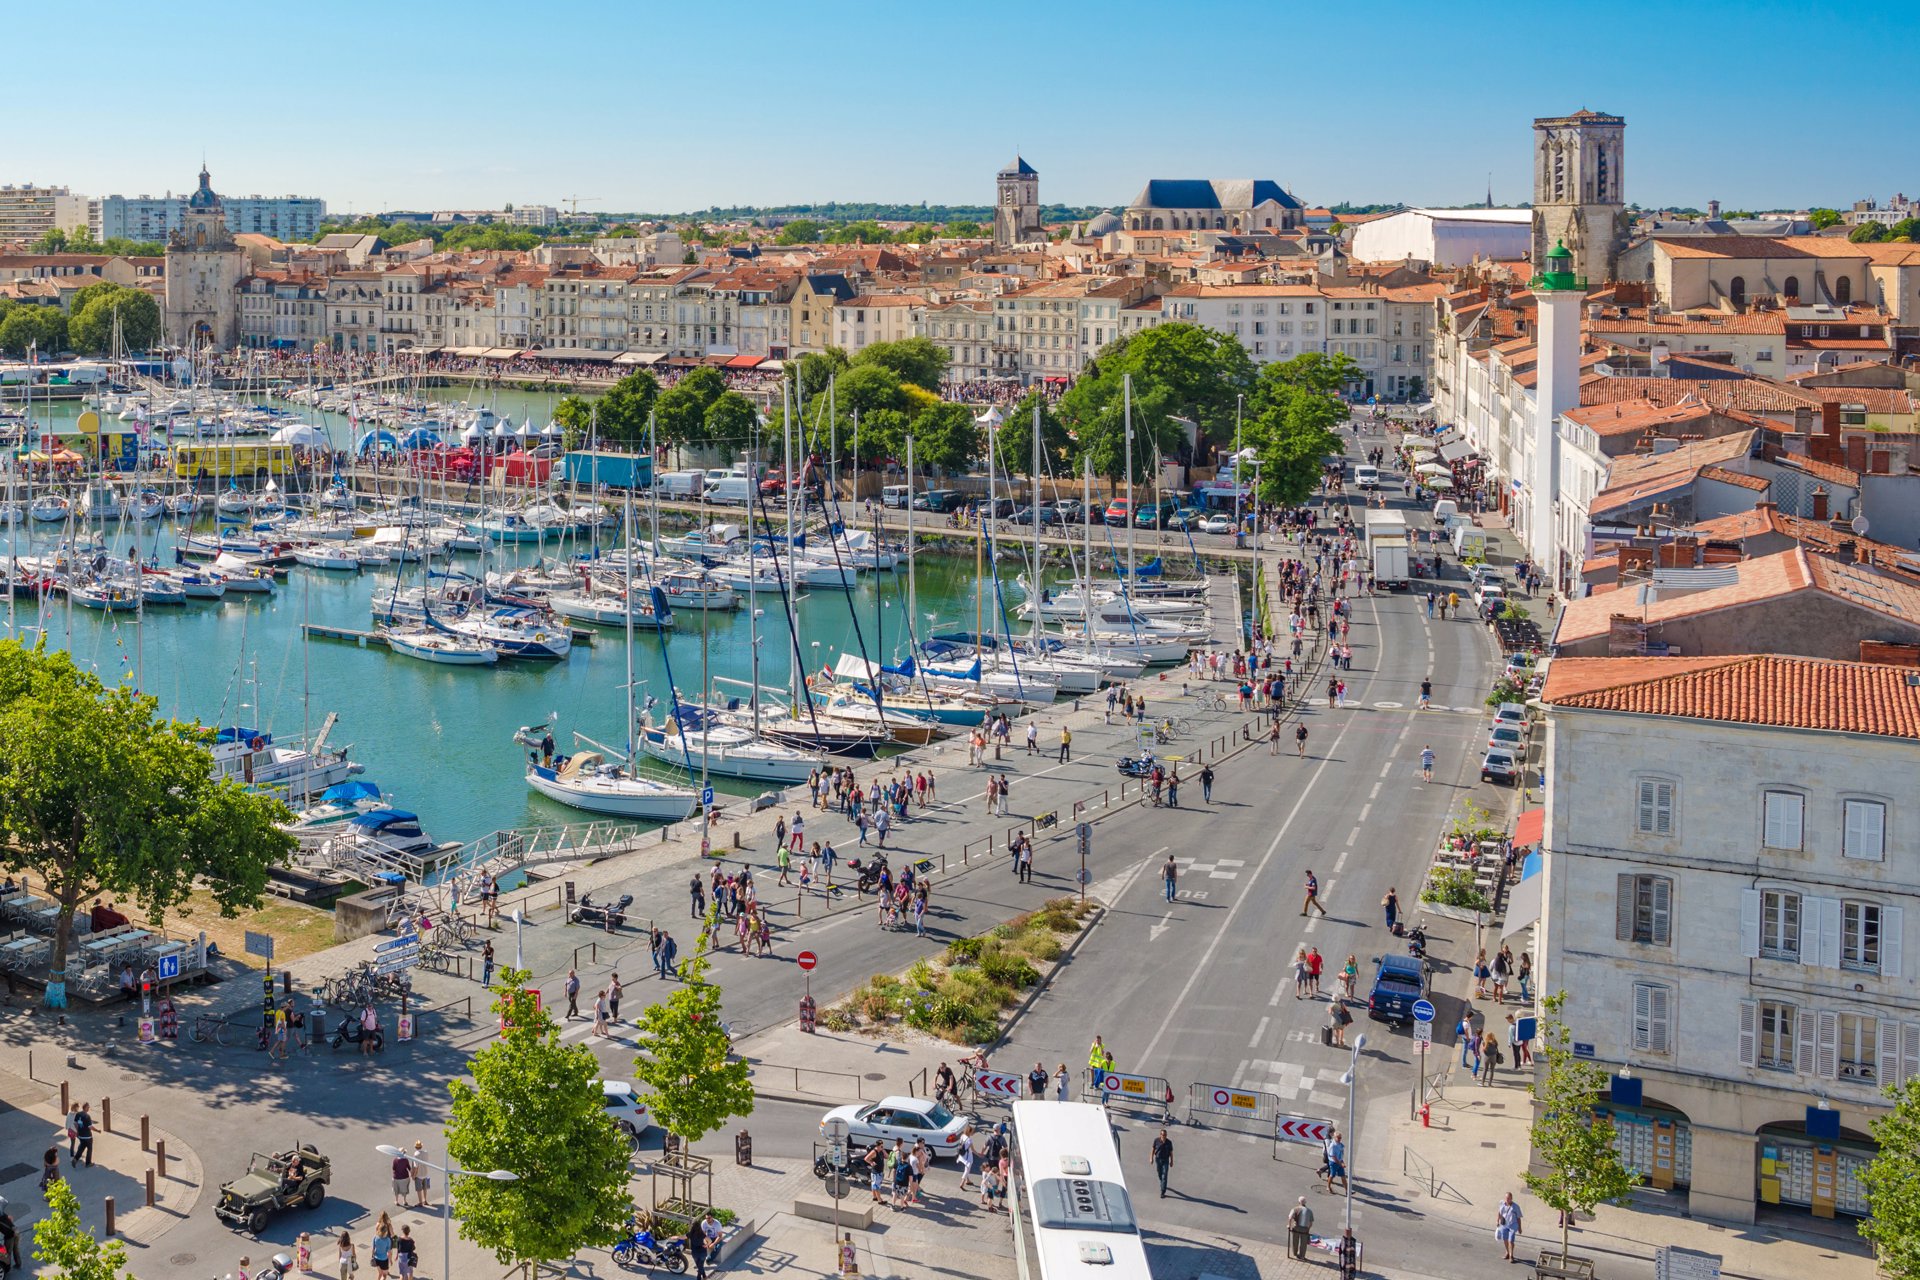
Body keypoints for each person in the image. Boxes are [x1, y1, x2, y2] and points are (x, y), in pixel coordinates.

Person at [1495, 1192, 1523, 1262]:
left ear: (1511, 1198)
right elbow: (1499, 1212)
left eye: (1509, 1198)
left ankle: (1511, 1255)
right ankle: (1507, 1252)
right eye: (1506, 1198)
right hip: (1504, 1225)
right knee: (1505, 1239)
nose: (1507, 1200)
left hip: (1512, 1226)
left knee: (1511, 1241)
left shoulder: (1516, 1207)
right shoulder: (1502, 1204)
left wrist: (1519, 1228)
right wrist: (1497, 1220)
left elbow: (1519, 1218)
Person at [1149, 1128, 1173, 1198]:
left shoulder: (1169, 1142)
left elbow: (1171, 1153)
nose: (1164, 1136)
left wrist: (1171, 1161)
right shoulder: (1156, 1140)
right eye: (1162, 1135)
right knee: (1159, 1173)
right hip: (1158, 1159)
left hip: (1165, 1160)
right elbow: (1153, 1149)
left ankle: (1163, 1191)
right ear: (1160, 1135)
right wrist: (1151, 1158)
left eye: (1165, 1135)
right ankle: (1162, 1182)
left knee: (1164, 1175)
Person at [410, 1141, 432, 1207]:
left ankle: (420, 1202)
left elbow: (416, 1167)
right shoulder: (426, 1153)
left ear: (415, 1147)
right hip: (425, 1173)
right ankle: (425, 1200)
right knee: (425, 1188)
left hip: (419, 1175)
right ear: (421, 1146)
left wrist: (413, 1175)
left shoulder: (416, 1155)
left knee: (419, 1189)